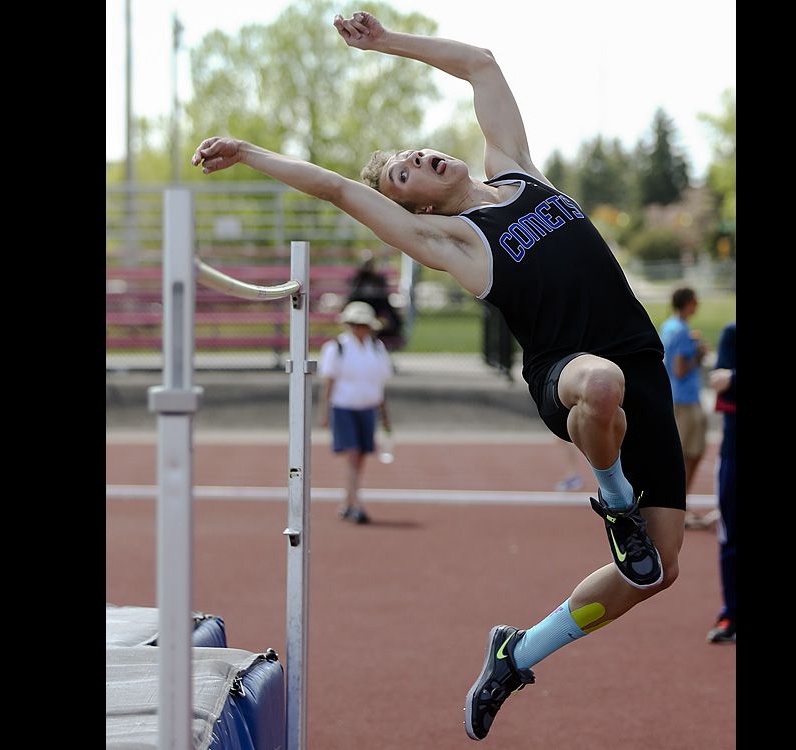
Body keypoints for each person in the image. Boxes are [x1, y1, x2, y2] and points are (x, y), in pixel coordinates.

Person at [193, 11, 685, 741]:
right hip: (568, 373)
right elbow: (339, 191)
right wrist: (249, 151)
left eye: (414, 153)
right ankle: (615, 505)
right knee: (600, 385)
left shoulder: (520, 172)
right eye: (405, 173)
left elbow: (482, 63)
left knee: (659, 571)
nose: (419, 158)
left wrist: (386, 42)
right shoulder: (456, 242)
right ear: (417, 207)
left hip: (642, 366)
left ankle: (516, 654)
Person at [318, 301, 393, 525]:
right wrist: (325, 411)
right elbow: (329, 382)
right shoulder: (336, 348)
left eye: (362, 325)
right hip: (344, 407)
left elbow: (379, 384)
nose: (359, 329)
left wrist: (384, 414)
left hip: (368, 408)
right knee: (351, 454)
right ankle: (357, 504)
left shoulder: (377, 348)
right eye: (355, 324)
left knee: (360, 457)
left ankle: (347, 501)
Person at [659, 287, 708, 495]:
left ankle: (677, 499)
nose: (697, 305)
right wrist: (698, 354)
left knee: (682, 452)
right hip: (685, 398)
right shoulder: (681, 331)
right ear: (688, 303)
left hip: (675, 395)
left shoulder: (669, 326)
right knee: (690, 453)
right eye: (695, 302)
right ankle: (678, 499)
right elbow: (680, 369)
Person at [706, 322, 736, 643]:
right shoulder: (731, 334)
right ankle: (732, 614)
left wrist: (733, 379)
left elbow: (728, 381)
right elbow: (719, 382)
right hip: (733, 453)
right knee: (731, 537)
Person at [347, 251, 403, 346]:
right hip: (359, 305)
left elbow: (383, 297)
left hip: (376, 306)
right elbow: (352, 296)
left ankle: (388, 336)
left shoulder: (378, 279)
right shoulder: (357, 279)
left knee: (393, 317)